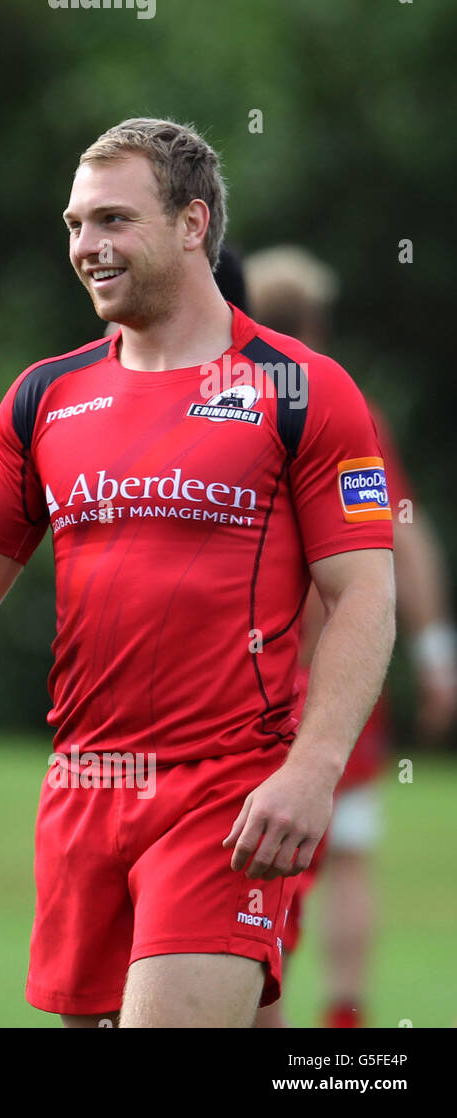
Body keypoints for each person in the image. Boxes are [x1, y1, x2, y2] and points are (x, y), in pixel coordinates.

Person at [0, 118, 396, 1027]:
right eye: (73, 225)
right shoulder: (46, 395)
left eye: (112, 221)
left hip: (227, 787)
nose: (86, 248)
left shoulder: (300, 389)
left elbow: (365, 590)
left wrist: (314, 768)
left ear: (191, 224)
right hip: (84, 791)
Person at [244, 245, 457, 1028]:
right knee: (349, 855)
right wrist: (438, 652)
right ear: (318, 319)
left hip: (247, 679)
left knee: (249, 870)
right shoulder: (342, 406)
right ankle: (343, 1026)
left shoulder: (212, 398)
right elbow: (405, 535)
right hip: (341, 674)